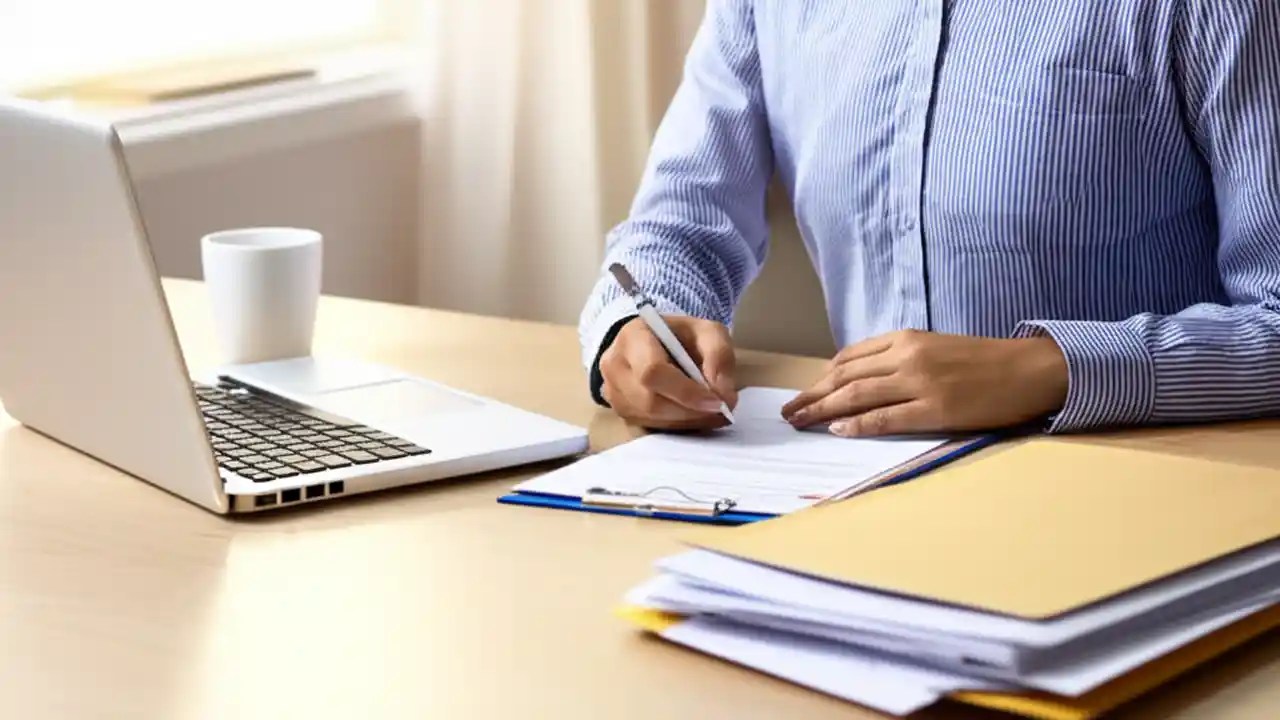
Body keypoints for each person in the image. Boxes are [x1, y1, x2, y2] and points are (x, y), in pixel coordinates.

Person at [578, 0, 1280, 437]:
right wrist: (633, 327)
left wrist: (1050, 370)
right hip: (854, 500)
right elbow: (677, 226)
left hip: (1147, 499)